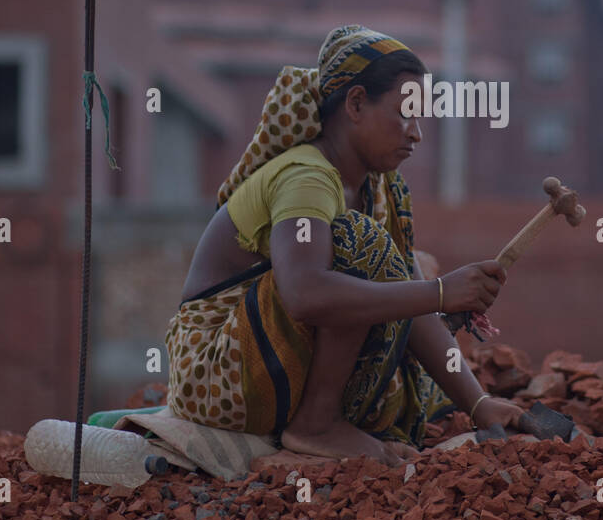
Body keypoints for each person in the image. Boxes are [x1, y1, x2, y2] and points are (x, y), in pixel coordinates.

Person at [165, 25, 521, 465]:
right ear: (355, 104)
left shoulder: (375, 188)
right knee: (364, 245)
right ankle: (316, 425)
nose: (416, 134)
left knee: (403, 288)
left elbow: (411, 297)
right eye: (404, 114)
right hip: (216, 373)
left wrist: (478, 404)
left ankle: (329, 418)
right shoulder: (306, 178)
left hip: (264, 368)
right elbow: (305, 293)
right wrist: (442, 291)